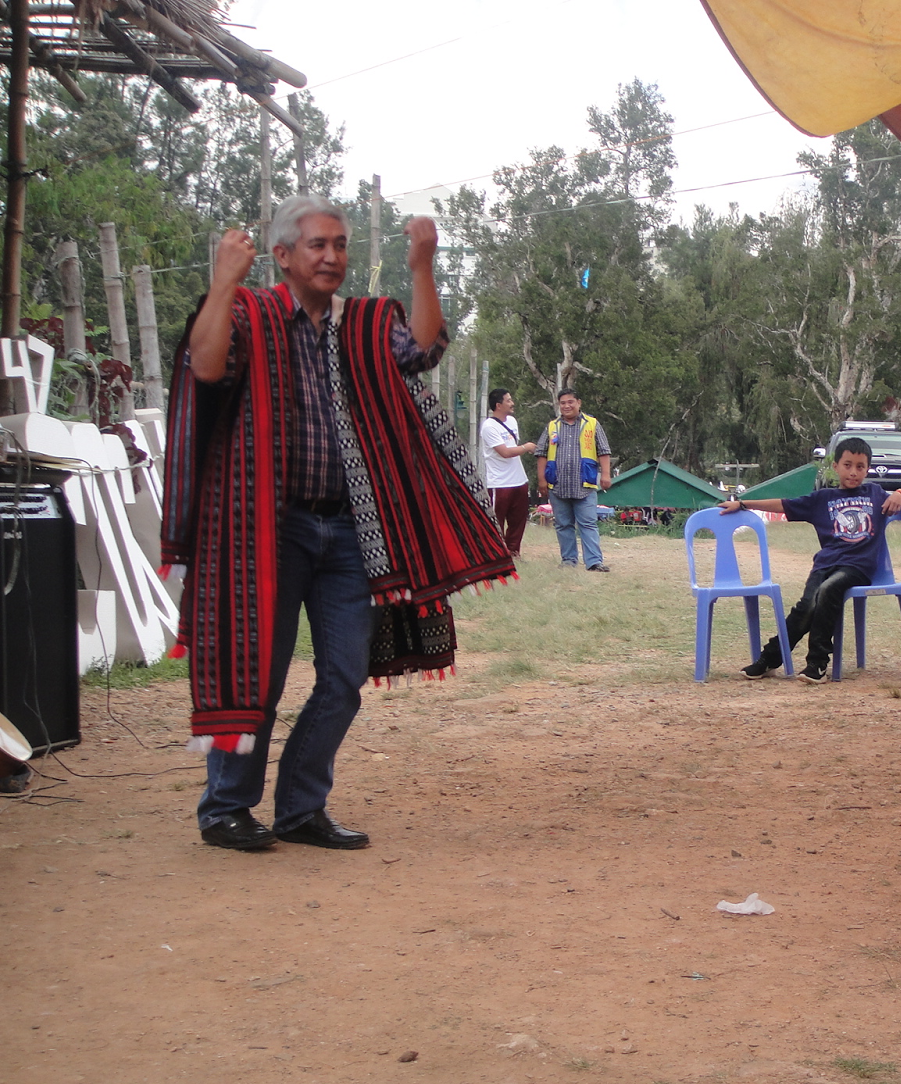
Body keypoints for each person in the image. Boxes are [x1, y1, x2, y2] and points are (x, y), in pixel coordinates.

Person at [164, 196, 514, 852]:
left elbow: (425, 349)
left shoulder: (366, 325)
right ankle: (227, 809)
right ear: (283, 256)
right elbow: (206, 366)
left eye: (340, 245)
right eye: (318, 245)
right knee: (257, 678)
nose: (331, 257)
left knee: (345, 675)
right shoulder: (249, 313)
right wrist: (221, 282)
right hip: (266, 533)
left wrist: (422, 267)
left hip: (354, 531)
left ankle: (300, 807)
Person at [720, 437, 901, 683]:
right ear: (836, 467)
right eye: (847, 465)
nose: (853, 472)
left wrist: (899, 493)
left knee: (828, 591)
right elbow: (783, 505)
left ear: (867, 469)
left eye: (860, 467)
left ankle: (817, 664)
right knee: (807, 605)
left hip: (858, 566)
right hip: (825, 564)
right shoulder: (822, 498)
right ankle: (770, 658)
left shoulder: (875, 493)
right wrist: (743, 503)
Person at [535, 388, 613, 571]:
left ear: (579, 403)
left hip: (584, 485)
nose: (566, 406)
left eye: (570, 402)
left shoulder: (592, 424)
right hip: (558, 485)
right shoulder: (552, 426)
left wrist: (606, 475)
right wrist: (541, 480)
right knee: (563, 525)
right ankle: (568, 561)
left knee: (588, 523)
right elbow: (541, 453)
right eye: (563, 403)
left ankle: (594, 561)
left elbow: (603, 450)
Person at [480, 388, 538, 556]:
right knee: (496, 520)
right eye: (508, 401)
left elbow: (513, 448)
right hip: (499, 483)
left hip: (519, 480)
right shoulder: (488, 427)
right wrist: (526, 447)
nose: (512, 404)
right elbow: (505, 452)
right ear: (498, 405)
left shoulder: (512, 421)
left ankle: (513, 553)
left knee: (518, 520)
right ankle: (495, 554)